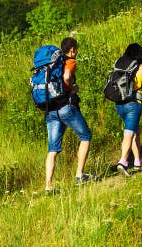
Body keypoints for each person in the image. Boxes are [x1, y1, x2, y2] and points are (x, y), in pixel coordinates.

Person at [44, 37, 95, 193]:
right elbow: (66, 77)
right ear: (72, 49)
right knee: (85, 136)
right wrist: (72, 88)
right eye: (76, 49)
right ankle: (79, 175)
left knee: (53, 149)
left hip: (50, 109)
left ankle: (48, 186)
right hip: (66, 107)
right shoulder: (70, 62)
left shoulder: (50, 66)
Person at [114, 43, 142, 176]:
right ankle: (123, 161)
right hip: (133, 105)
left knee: (135, 131)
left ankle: (138, 161)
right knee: (129, 133)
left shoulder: (119, 64)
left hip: (119, 104)